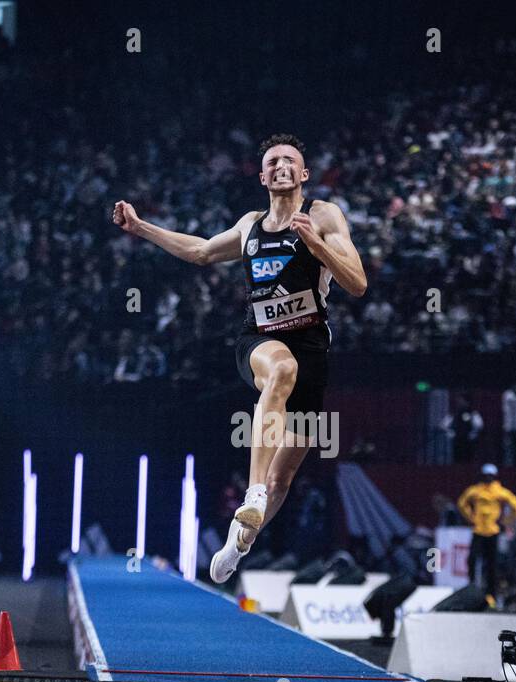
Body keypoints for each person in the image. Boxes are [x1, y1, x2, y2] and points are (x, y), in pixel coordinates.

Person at [113, 133, 366, 583]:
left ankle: (237, 543)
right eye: (272, 161)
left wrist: (318, 246)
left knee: (283, 481)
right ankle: (251, 492)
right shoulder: (251, 224)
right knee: (279, 372)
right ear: (263, 175)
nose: (281, 165)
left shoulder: (322, 215)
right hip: (260, 343)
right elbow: (201, 251)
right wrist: (141, 227)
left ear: (304, 174)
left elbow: (358, 283)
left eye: (290, 159)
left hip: (313, 350)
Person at [456, 463, 516, 600]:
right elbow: (461, 503)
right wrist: (471, 517)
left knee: (492, 564)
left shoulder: (500, 491)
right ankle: (471, 588)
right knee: (472, 560)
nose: (488, 478)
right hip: (478, 530)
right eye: (486, 475)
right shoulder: (475, 491)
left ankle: (491, 594)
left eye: (491, 476)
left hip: (493, 531)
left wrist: (506, 520)